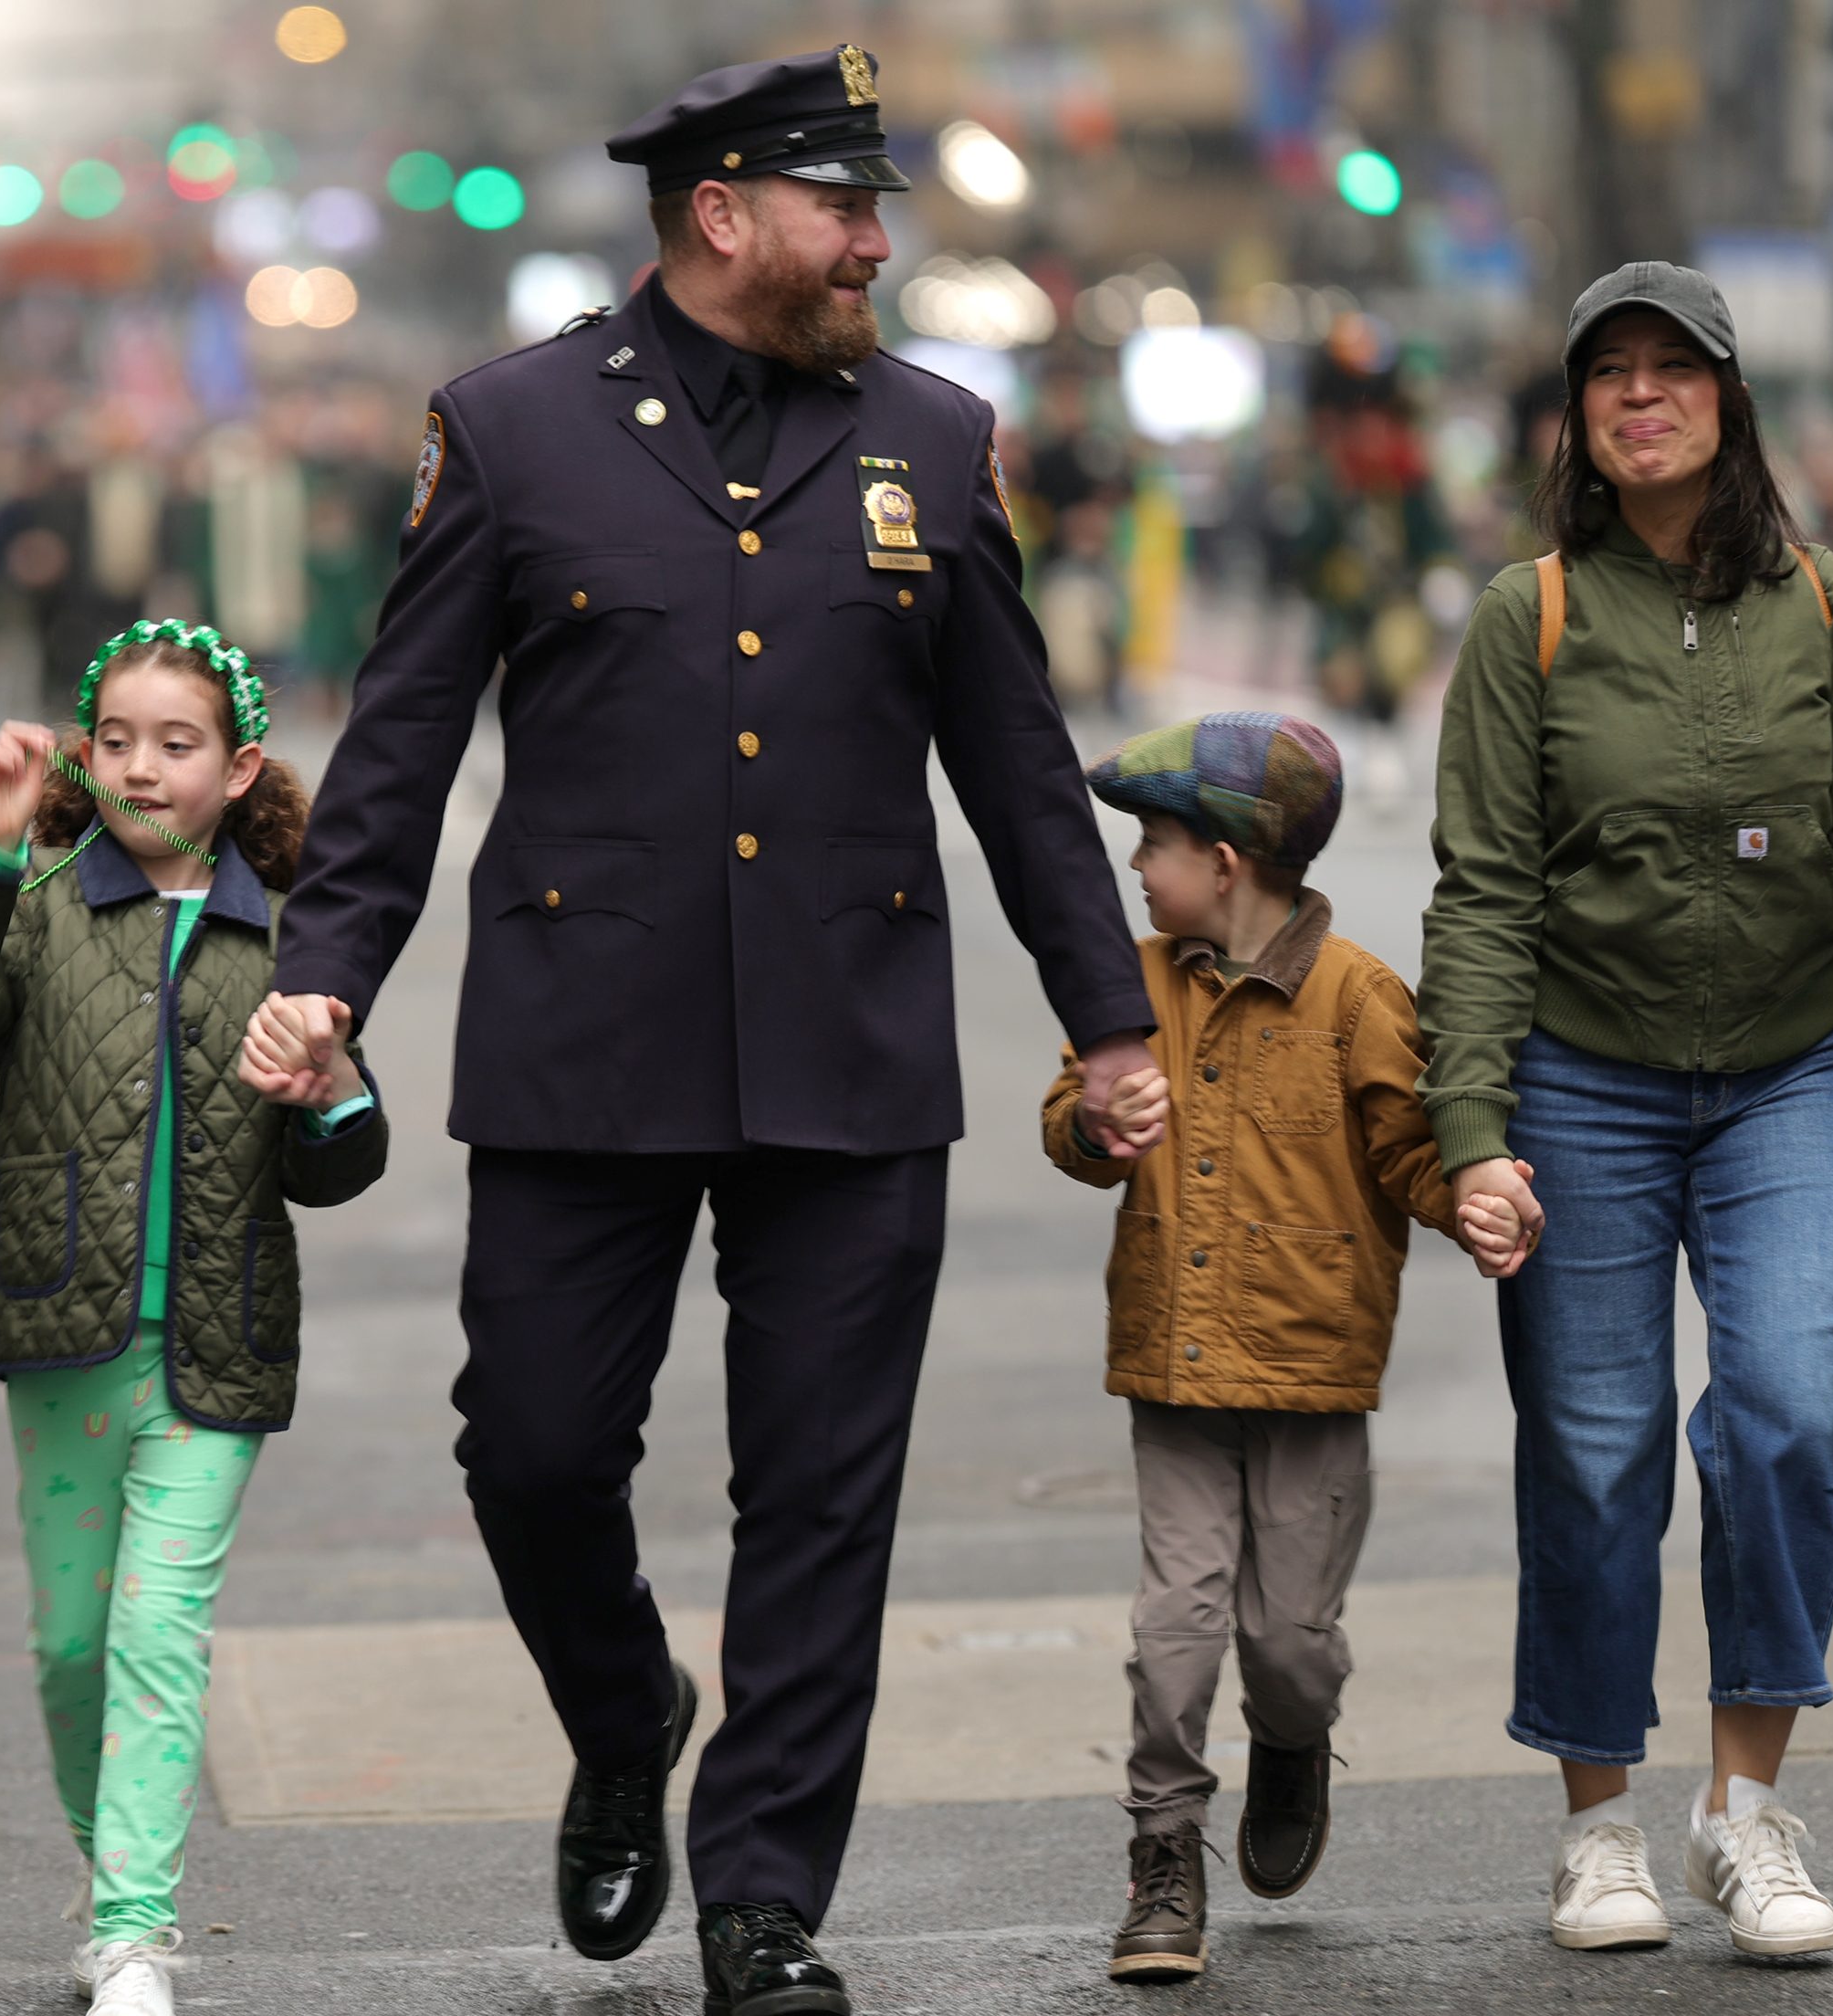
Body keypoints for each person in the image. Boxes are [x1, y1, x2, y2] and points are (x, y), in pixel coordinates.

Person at [241, 45, 1158, 2016]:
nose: (872, 242)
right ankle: (619, 1706)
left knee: (822, 1492)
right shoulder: (509, 430)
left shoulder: (933, 432)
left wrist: (1109, 1018)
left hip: (850, 1041)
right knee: (537, 1452)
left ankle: (762, 1902)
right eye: (842, 208)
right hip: (586, 1044)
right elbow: (400, 744)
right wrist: (325, 973)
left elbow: (1013, 756)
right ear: (721, 215)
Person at [1424, 261, 1833, 1958]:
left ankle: (1742, 1813)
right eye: (1606, 372)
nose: (1638, 394)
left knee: (1786, 1398)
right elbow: (1480, 900)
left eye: (1672, 369)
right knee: (1595, 1448)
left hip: (1785, 1076)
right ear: (1577, 418)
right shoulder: (1522, 617)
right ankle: (1597, 1827)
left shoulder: (1828, 610)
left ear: (1729, 402)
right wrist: (1473, 1131)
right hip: (1578, 1079)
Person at [0, 619, 387, 2016]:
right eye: (116, 740)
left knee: (160, 1629)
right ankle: (111, 1874)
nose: (142, 768)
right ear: (84, 754)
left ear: (238, 772)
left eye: (178, 745)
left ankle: (134, 1935)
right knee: (69, 1645)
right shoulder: (39, 902)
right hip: (62, 1327)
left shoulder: (286, 932)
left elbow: (338, 1165)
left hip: (218, 1345)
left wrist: (333, 1082)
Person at [1042, 714, 1458, 1979]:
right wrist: (1098, 1122)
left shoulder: (1359, 998)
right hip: (1173, 1366)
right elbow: (1068, 1112)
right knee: (1174, 1627)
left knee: (1288, 1643)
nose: (1135, 867)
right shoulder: (1133, 984)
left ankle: (1290, 1742)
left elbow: (1410, 1150)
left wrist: (1476, 1190)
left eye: (1154, 844)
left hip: (1311, 1373)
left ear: (1225, 861)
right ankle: (1163, 1855)